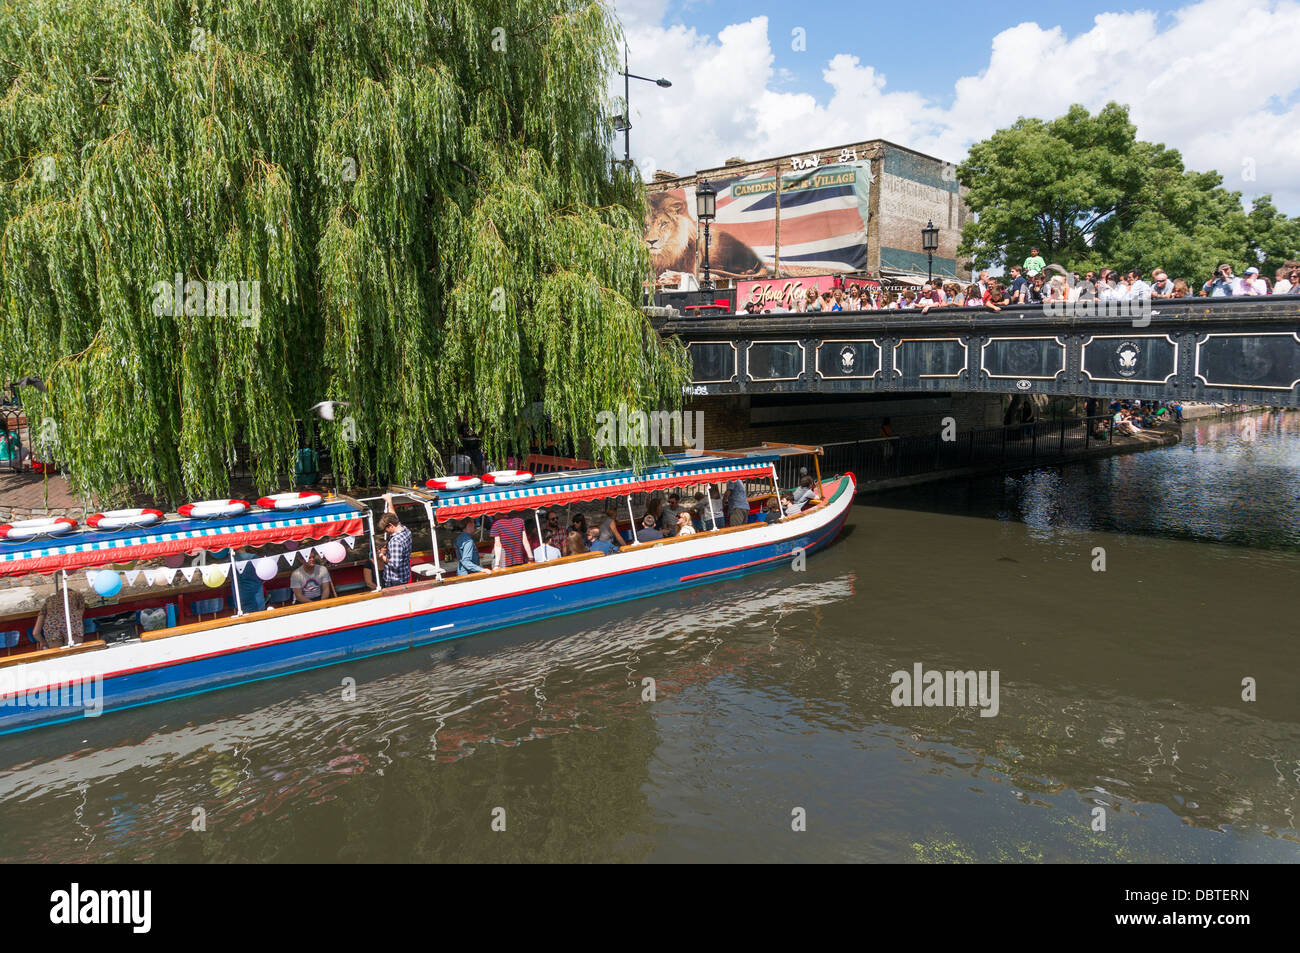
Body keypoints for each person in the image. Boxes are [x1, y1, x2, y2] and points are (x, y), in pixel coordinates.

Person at [231, 546, 267, 613]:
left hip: (239, 591)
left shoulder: (231, 559)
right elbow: (261, 572)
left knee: (243, 612)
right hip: (254, 589)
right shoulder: (253, 557)